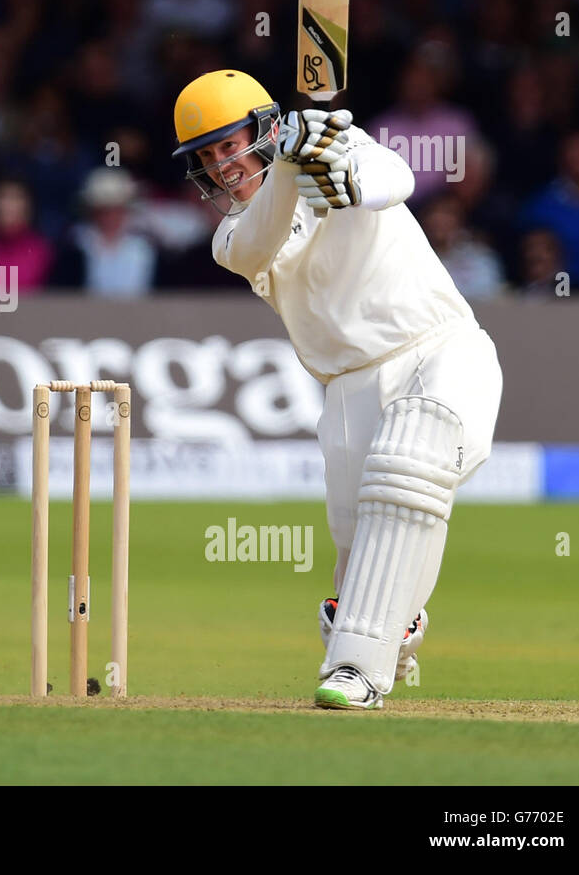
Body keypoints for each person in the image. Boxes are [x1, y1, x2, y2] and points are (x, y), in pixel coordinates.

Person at [173, 70, 502, 710]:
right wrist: (294, 170)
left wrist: (344, 172)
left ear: (264, 130)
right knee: (364, 553)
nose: (224, 165)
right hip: (349, 390)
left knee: (411, 460)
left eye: (229, 143)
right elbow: (265, 237)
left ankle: (357, 668)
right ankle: (387, 622)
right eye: (208, 157)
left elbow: (396, 180)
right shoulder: (231, 239)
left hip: (443, 347)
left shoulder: (342, 147)